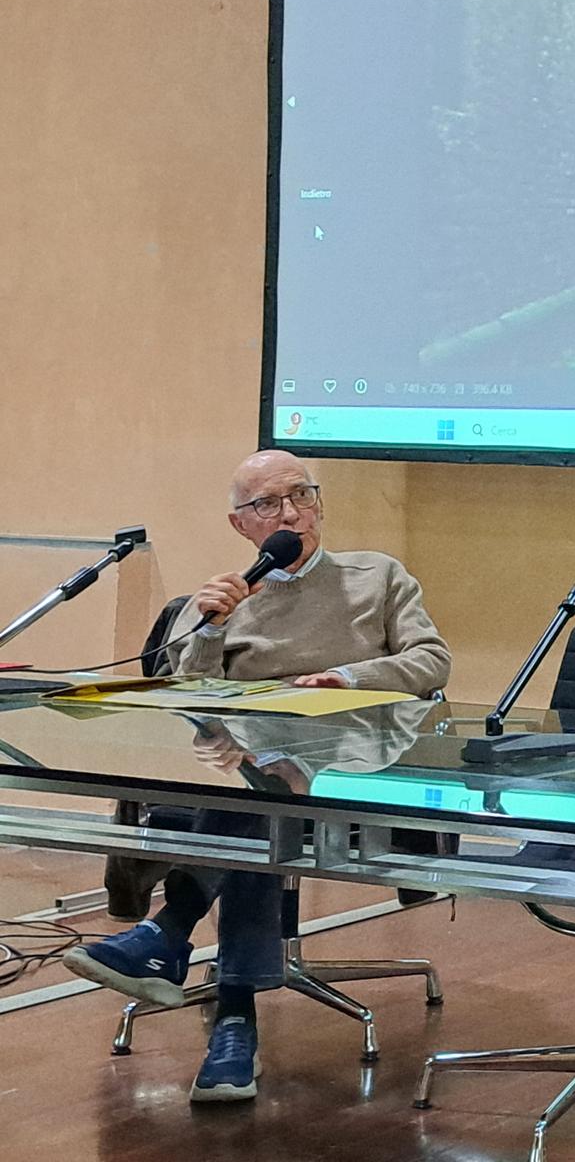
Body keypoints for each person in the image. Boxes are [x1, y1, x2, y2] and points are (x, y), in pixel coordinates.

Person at [63, 449, 451, 1103]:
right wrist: (210, 627)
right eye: (268, 504)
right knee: (259, 791)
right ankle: (225, 1006)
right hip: (251, 769)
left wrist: (350, 677)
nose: (291, 514)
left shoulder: (377, 577)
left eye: (301, 496)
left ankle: (185, 952)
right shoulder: (227, 596)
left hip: (356, 768)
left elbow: (432, 660)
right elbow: (184, 693)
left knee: (263, 796)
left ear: (320, 504)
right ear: (240, 524)